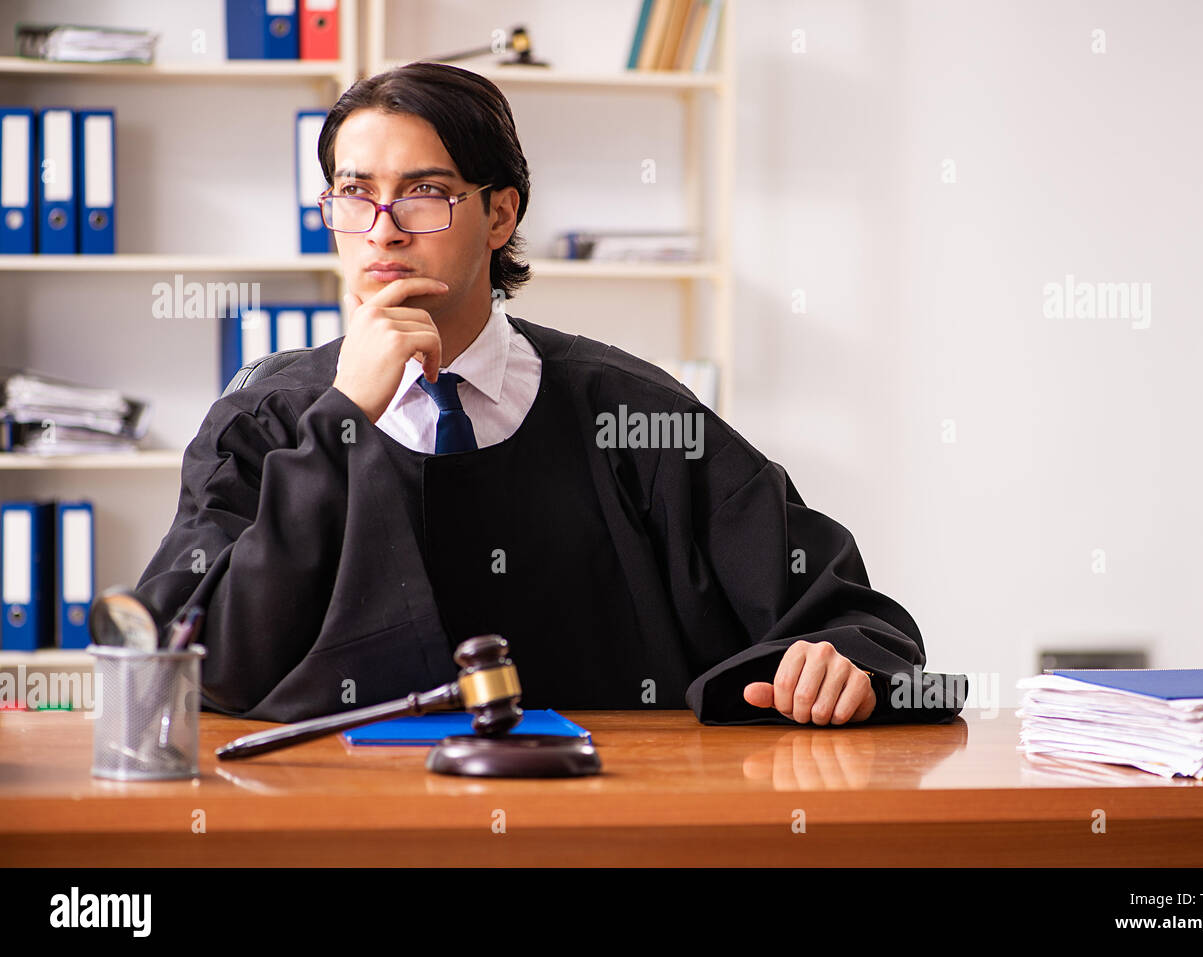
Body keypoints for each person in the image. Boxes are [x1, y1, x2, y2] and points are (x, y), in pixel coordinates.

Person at [136, 61, 964, 728]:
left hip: (607, 828)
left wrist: (839, 663)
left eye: (425, 193)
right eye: (353, 194)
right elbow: (184, 664)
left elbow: (856, 622)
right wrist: (342, 420)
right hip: (344, 828)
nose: (382, 227)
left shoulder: (633, 414)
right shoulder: (266, 419)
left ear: (501, 215)